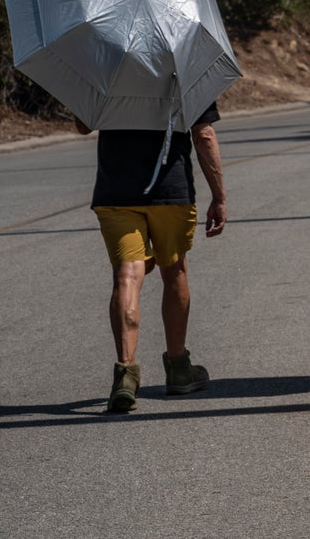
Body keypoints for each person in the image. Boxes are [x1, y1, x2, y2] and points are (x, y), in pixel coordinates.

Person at [75, 105, 227, 413]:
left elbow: (83, 124)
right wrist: (219, 196)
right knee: (174, 271)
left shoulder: (106, 64)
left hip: (116, 192)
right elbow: (204, 134)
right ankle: (179, 368)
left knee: (127, 277)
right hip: (170, 191)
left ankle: (125, 376)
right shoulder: (185, 66)